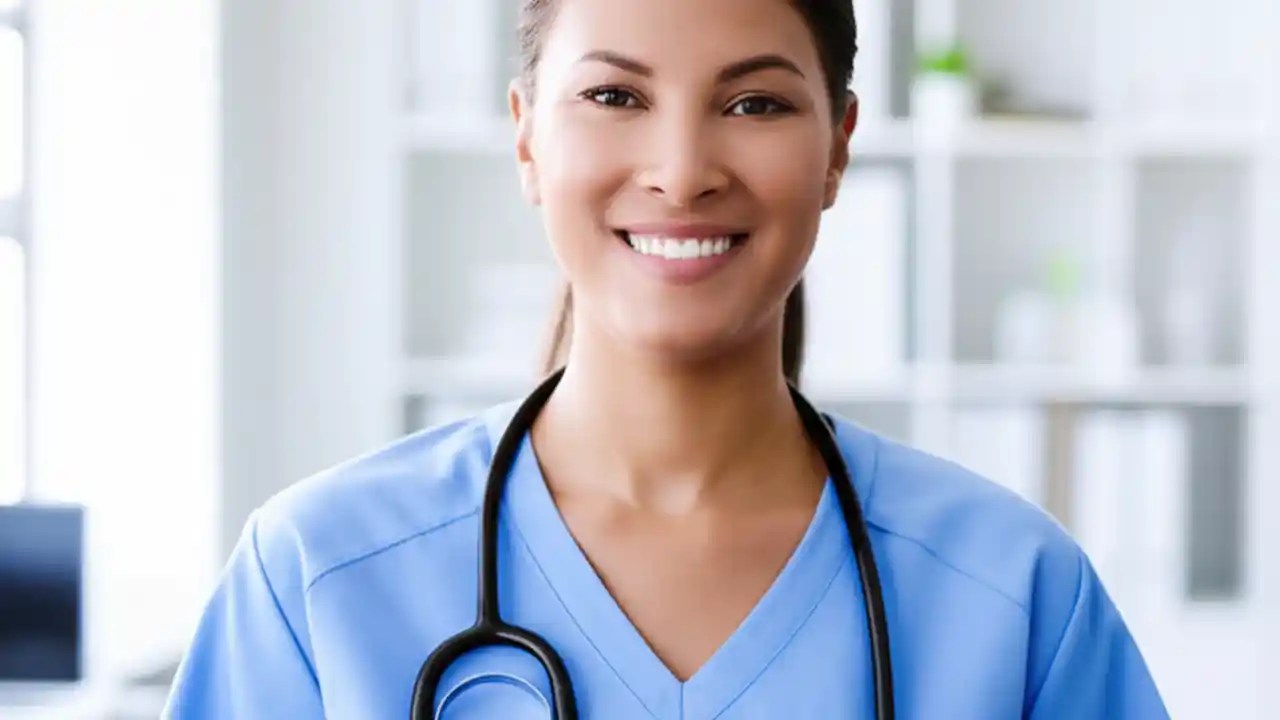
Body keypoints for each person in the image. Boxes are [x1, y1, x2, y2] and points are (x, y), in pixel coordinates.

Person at [164, 0, 1171, 717]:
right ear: (525, 140)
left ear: (836, 149)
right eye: (612, 96)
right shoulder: (319, 579)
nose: (682, 173)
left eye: (754, 105)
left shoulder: (1012, 594)